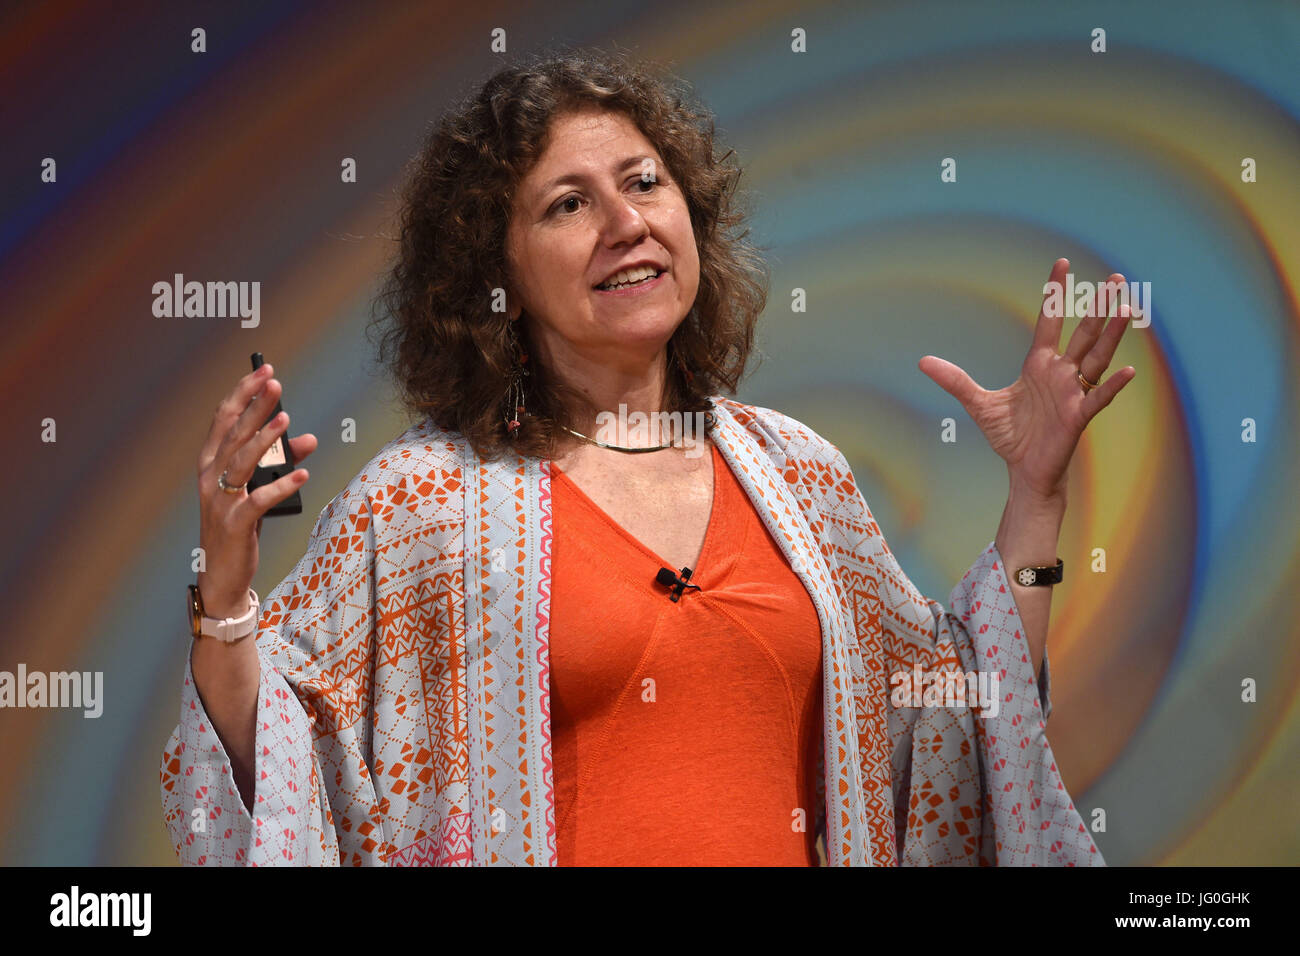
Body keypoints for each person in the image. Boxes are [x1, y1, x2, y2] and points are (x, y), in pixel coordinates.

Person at [161, 48, 1134, 866]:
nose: (625, 222)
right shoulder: (424, 500)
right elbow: (279, 770)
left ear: (688, 214)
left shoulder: (799, 474)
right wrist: (229, 596)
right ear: (494, 271)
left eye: (642, 182)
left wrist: (1035, 494)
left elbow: (951, 725)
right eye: (567, 205)